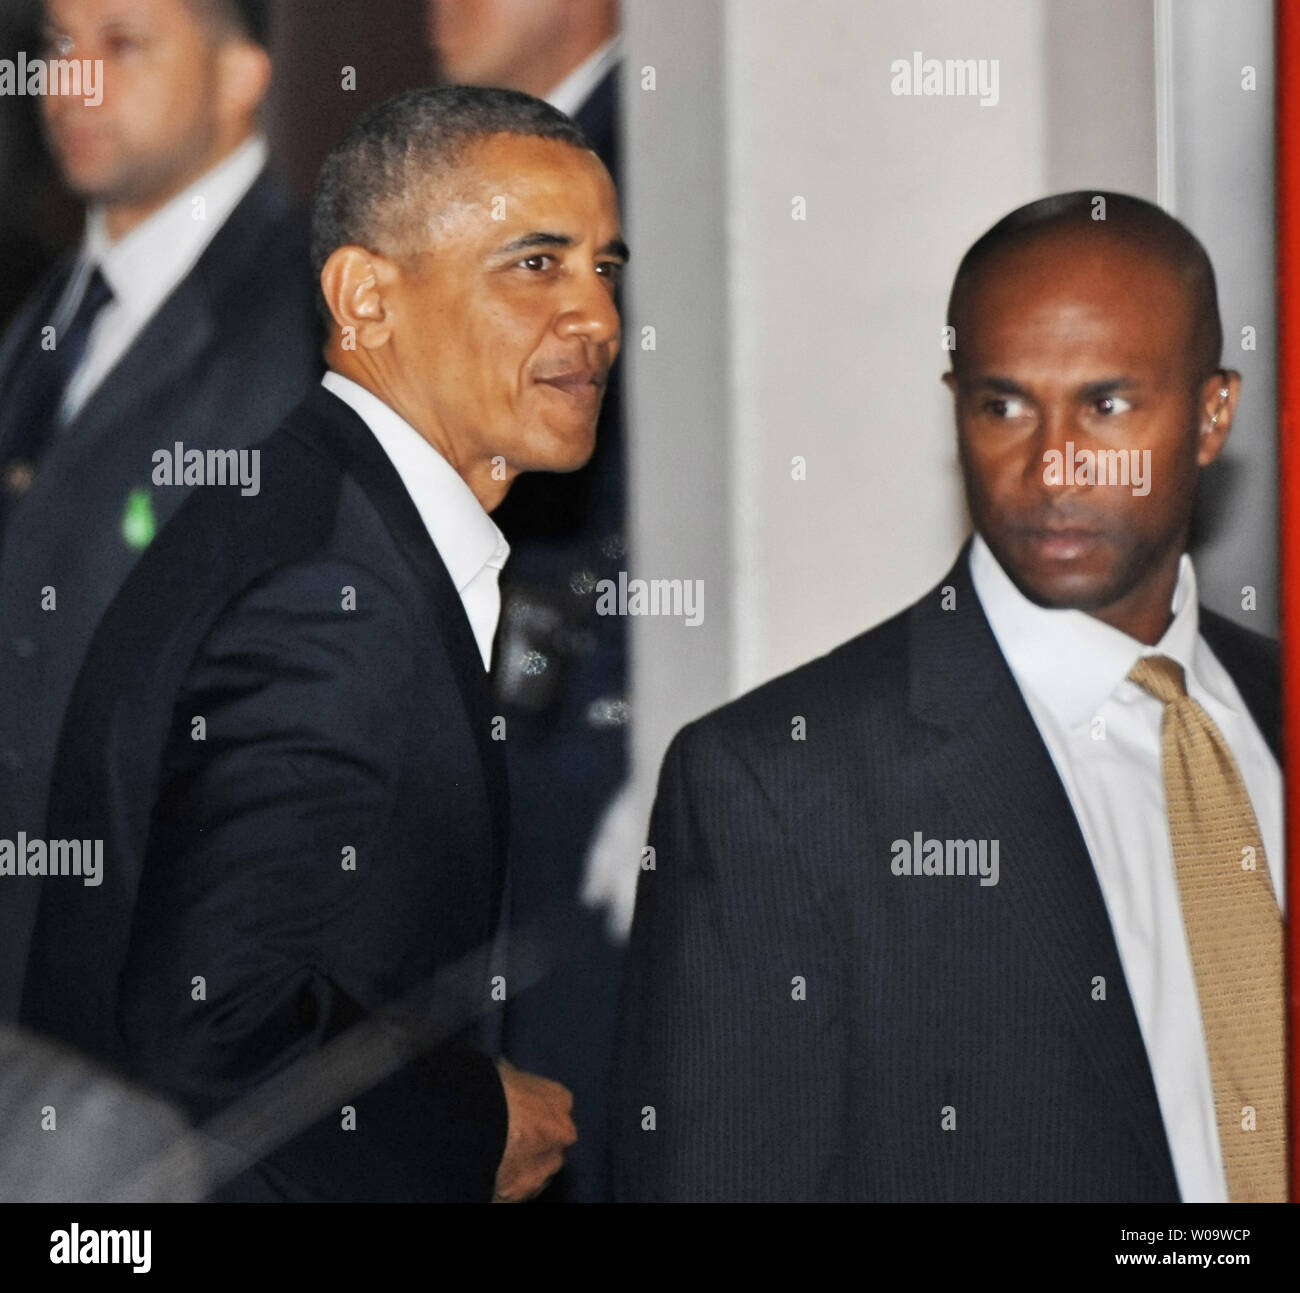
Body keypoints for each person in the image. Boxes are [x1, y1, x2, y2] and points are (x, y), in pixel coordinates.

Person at [22, 84, 627, 1202]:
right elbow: (211, 1020)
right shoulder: (329, 589)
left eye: (606, 267)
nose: (595, 315)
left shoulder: (315, 519)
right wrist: (468, 1119)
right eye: (536, 264)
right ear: (367, 299)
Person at [615, 192, 1283, 1203]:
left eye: (1105, 405)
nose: (1050, 466)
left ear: (1210, 414)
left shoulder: (1269, 711)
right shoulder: (779, 788)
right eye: (1002, 404)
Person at [0, 0, 320, 1018]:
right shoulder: (44, 321)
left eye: (122, 43)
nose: (72, 82)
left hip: (171, 978)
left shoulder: (312, 320)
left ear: (240, 77)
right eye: (58, 47)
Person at [429, 0, 627, 1202]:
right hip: (502, 720)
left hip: (587, 734)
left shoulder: (651, 153)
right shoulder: (491, 171)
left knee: (573, 1119)